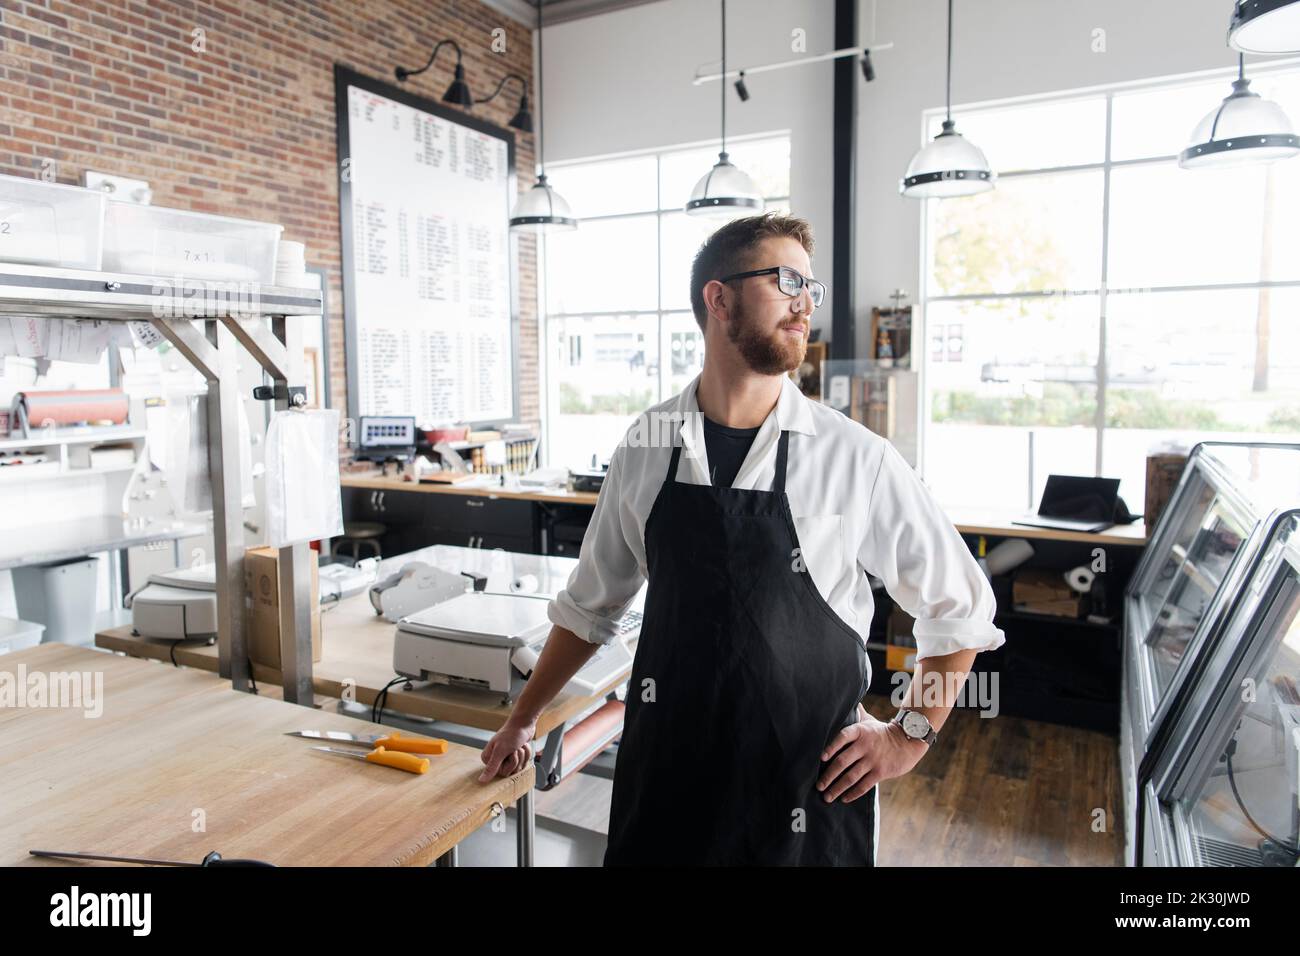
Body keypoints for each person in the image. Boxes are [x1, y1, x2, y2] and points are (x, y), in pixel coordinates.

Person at [479, 212, 1005, 865]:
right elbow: (589, 608)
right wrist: (522, 718)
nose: (805, 302)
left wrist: (908, 736)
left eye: (811, 287)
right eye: (787, 281)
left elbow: (961, 610)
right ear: (718, 298)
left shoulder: (854, 458)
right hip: (666, 788)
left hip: (805, 801)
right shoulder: (647, 447)